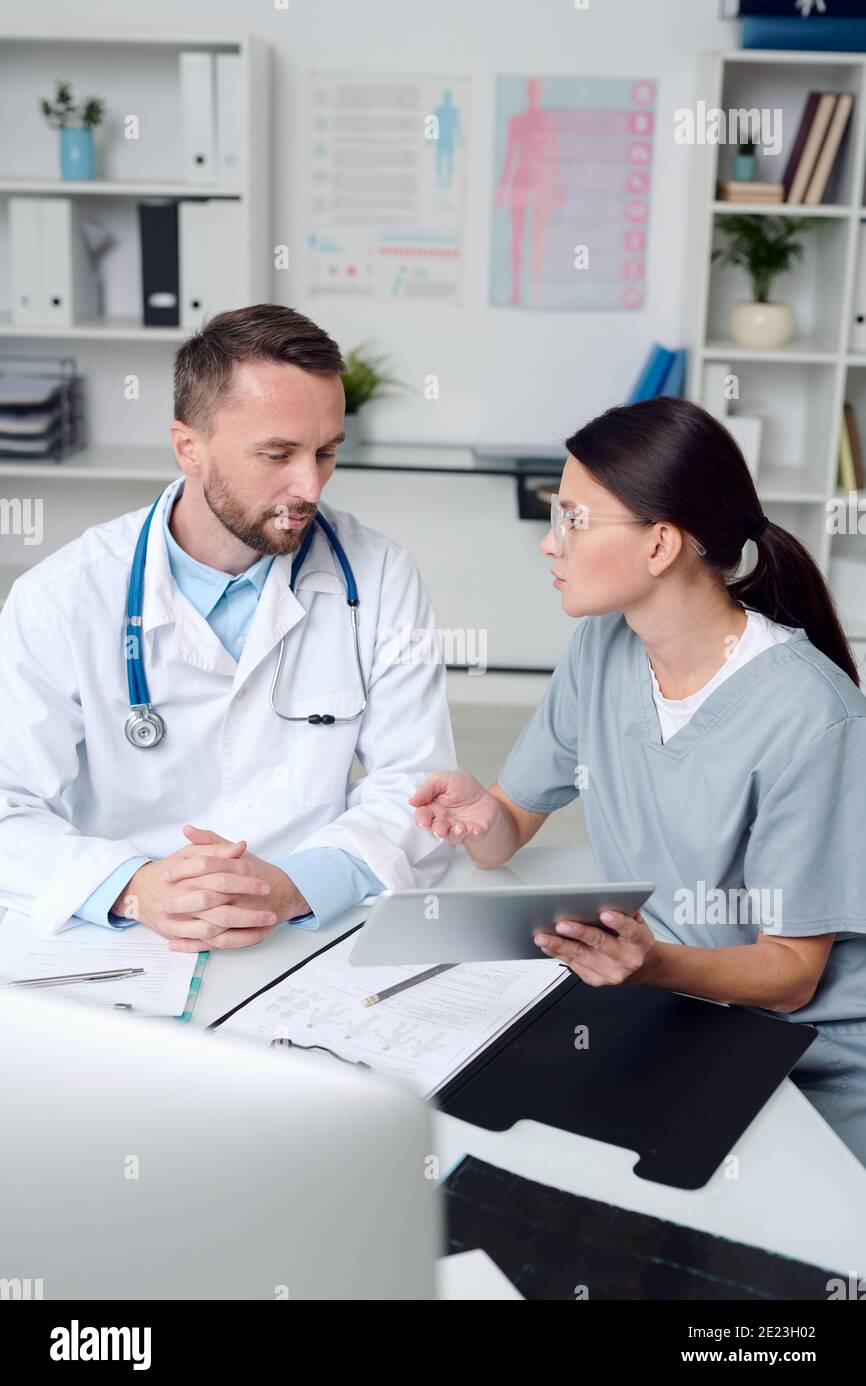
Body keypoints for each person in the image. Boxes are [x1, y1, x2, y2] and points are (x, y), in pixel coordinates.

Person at [411, 396, 866, 1167]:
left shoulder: (814, 716)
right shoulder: (602, 649)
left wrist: (653, 965)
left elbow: (792, 976)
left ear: (660, 545)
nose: (551, 546)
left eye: (575, 521)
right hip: (667, 1012)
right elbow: (509, 827)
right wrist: (475, 813)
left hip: (800, 1059)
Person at [0, 304, 455, 949]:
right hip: (121, 932)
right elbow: (6, 807)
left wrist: (296, 885)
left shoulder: (378, 576)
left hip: (312, 924)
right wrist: (136, 887)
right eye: (278, 454)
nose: (310, 486)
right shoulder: (61, 596)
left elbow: (417, 786)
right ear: (189, 447)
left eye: (325, 453)